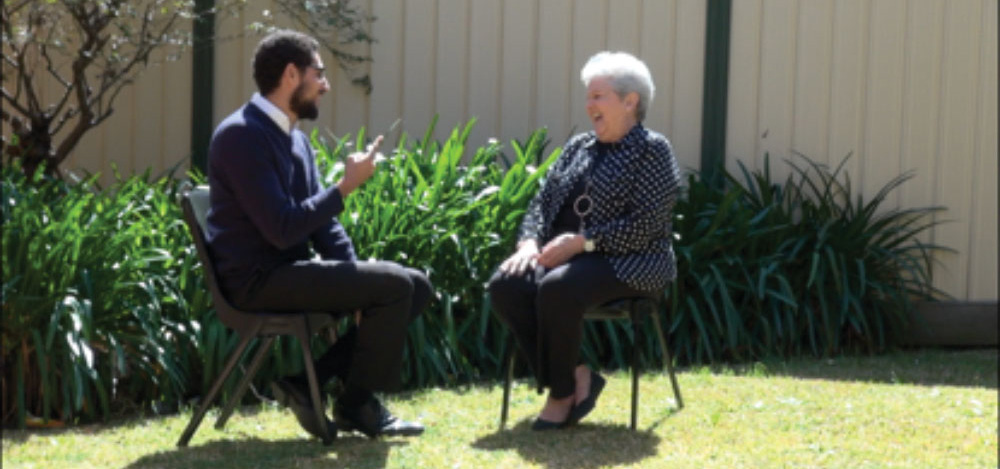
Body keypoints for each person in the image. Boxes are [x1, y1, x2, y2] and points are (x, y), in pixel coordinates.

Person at [205, 30, 430, 440]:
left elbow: (323, 224)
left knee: (415, 286)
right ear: (292, 74)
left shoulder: (296, 142)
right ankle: (355, 405)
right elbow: (281, 228)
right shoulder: (241, 135)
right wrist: (344, 187)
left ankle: (307, 384)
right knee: (396, 285)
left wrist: (355, 276)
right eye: (319, 74)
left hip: (290, 272)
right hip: (256, 282)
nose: (325, 85)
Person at [488, 51, 681, 430]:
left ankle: (560, 397)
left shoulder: (653, 150)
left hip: (632, 260)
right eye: (588, 96)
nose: (589, 104)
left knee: (559, 288)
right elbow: (540, 203)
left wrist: (582, 242)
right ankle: (576, 376)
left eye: (598, 96)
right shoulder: (579, 147)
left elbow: (647, 224)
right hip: (566, 258)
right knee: (506, 284)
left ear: (630, 102)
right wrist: (528, 242)